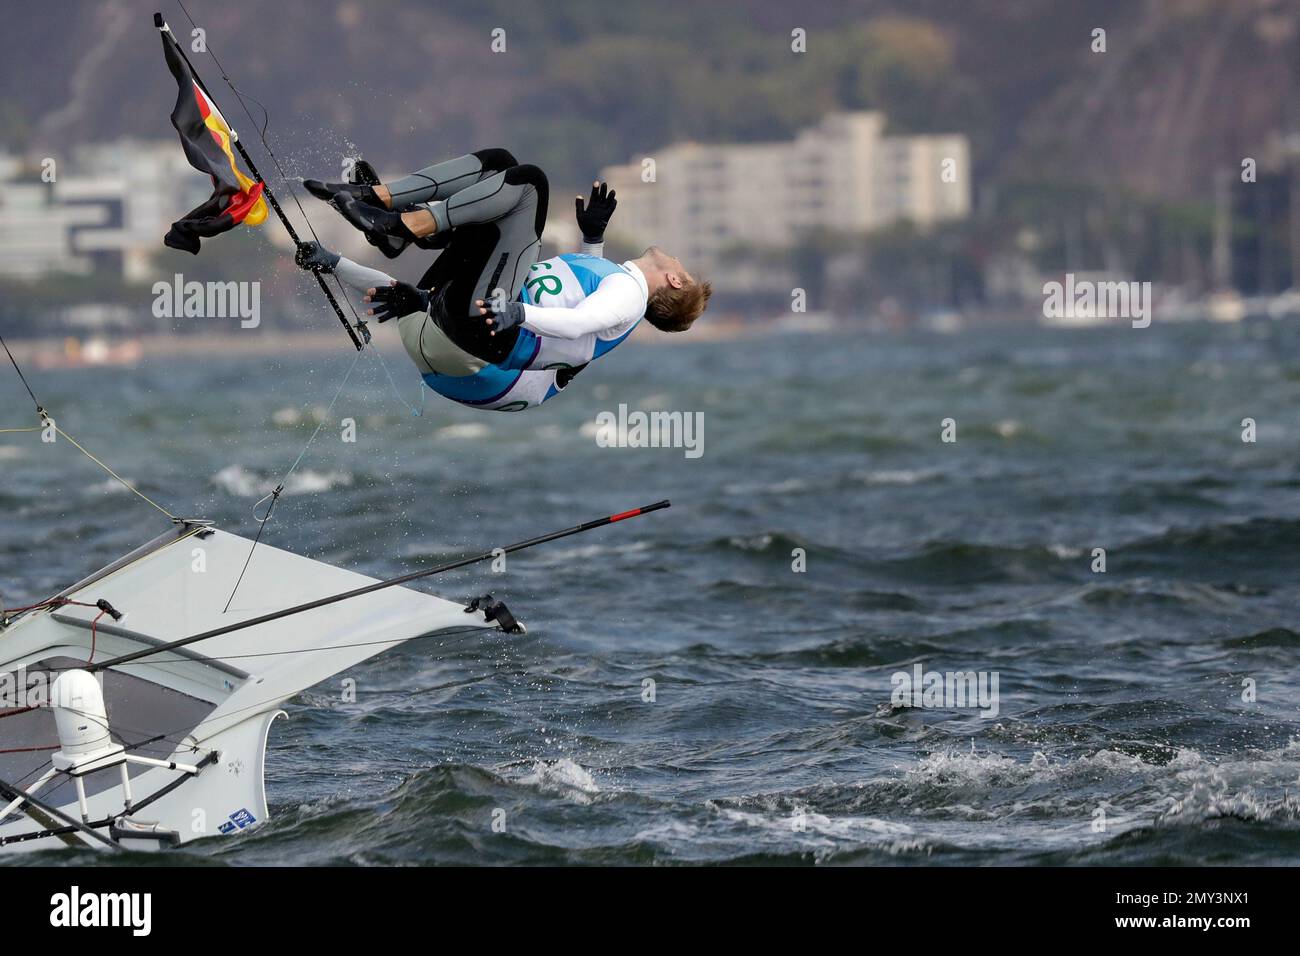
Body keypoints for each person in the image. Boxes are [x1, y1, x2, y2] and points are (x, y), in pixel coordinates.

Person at [296, 149, 711, 412]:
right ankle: (384, 206)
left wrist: (519, 312)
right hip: (449, 346)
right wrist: (592, 239)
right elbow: (581, 312)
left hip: (486, 348)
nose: (676, 257)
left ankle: (398, 222)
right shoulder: (619, 291)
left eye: (683, 267)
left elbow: (582, 321)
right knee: (499, 169)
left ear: (674, 280)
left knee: (528, 183)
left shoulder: (631, 296)